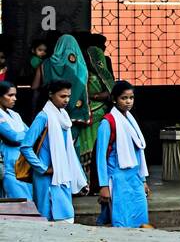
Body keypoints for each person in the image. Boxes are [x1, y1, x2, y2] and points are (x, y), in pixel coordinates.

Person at [21, 80, 87, 223]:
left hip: (62, 174)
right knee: (48, 218)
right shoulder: (43, 117)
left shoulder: (64, 116)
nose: (67, 100)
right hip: (46, 177)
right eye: (62, 96)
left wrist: (79, 177)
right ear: (51, 95)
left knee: (66, 216)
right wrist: (43, 169)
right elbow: (25, 147)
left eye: (68, 96)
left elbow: (68, 150)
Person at [94, 80, 150, 228]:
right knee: (121, 222)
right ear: (114, 99)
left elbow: (139, 151)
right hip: (117, 179)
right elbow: (100, 157)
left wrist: (143, 180)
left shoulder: (131, 121)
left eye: (131, 98)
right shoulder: (107, 123)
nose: (128, 102)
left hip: (135, 178)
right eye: (124, 98)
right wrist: (103, 185)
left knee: (141, 220)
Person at [41, 35, 91, 174]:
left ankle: (56, 174)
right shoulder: (81, 67)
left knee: (52, 145)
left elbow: (37, 86)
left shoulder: (47, 64)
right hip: (75, 113)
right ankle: (74, 179)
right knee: (72, 145)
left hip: (51, 111)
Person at [79, 35, 115, 178]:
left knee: (99, 145)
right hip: (85, 113)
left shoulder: (103, 66)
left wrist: (94, 96)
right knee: (86, 145)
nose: (105, 48)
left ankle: (98, 179)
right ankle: (87, 180)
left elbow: (109, 90)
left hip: (97, 111)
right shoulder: (81, 69)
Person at [0, 81, 32, 200]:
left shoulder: (15, 115)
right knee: (18, 202)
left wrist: (24, 135)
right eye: (10, 95)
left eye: (15, 95)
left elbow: (32, 135)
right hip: (8, 164)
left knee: (28, 200)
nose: (14, 99)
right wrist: (25, 135)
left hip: (23, 164)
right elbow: (13, 137)